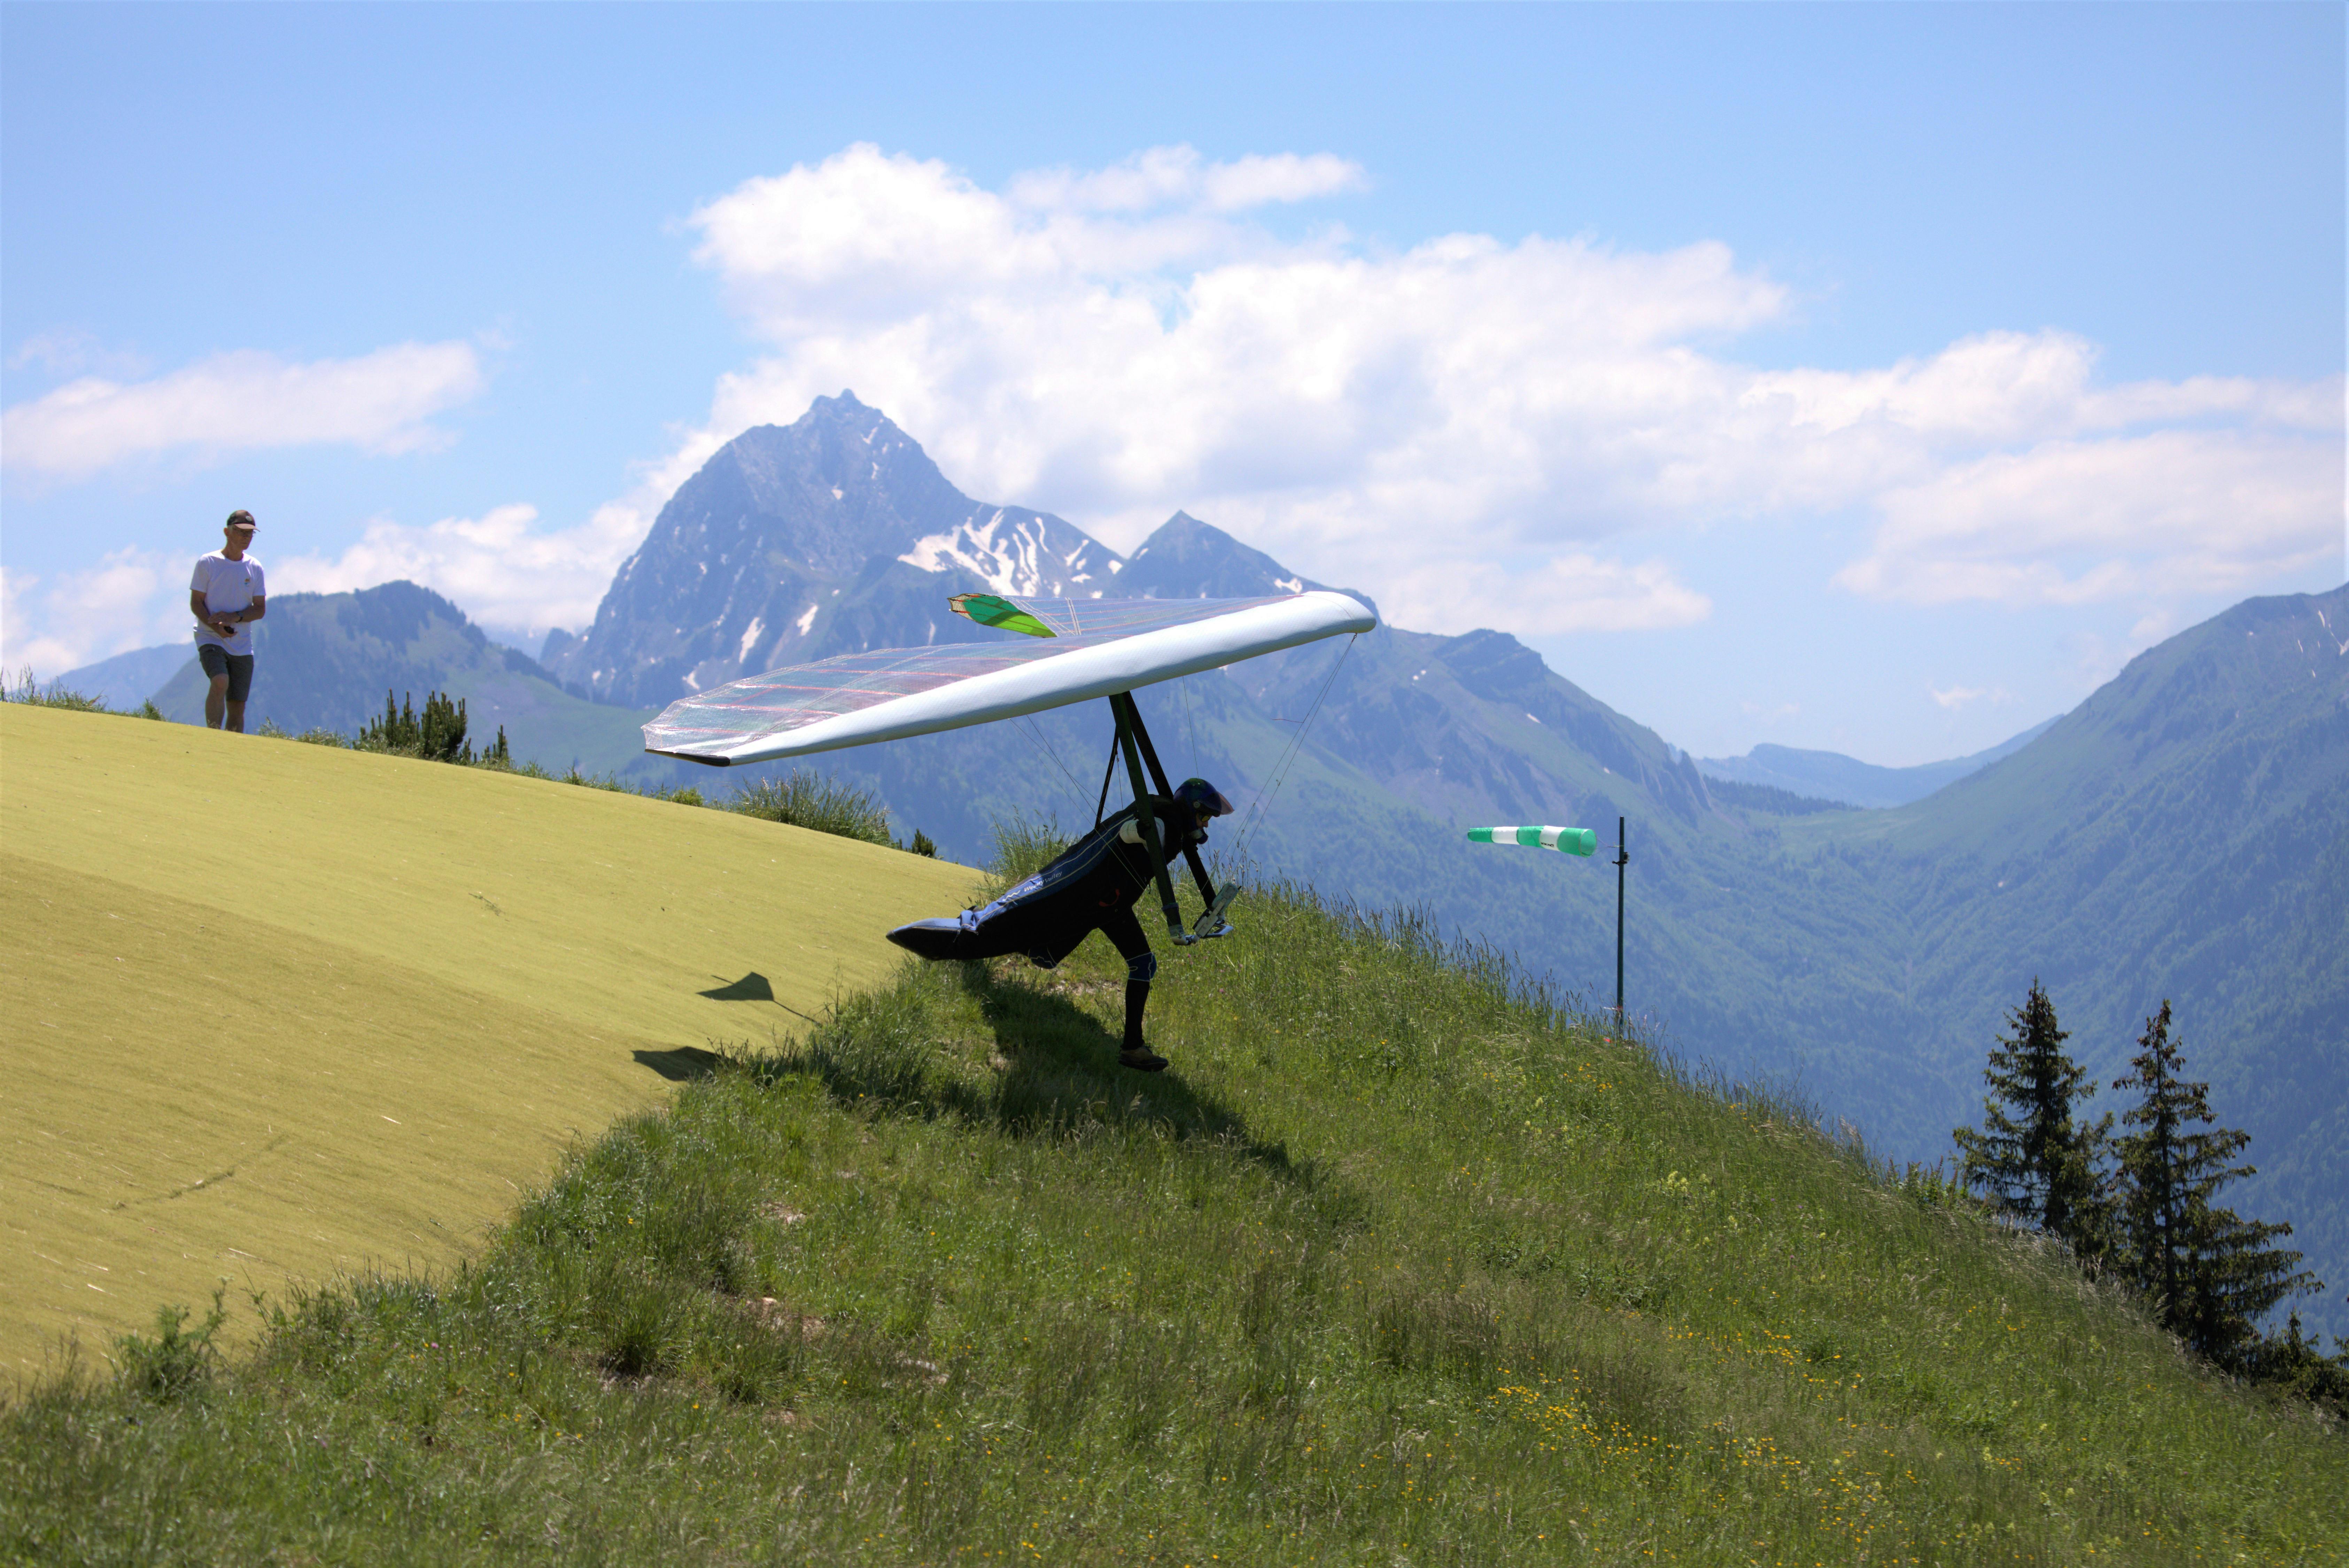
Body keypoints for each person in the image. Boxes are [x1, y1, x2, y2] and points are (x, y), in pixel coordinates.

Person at [887, 777, 1235, 1072]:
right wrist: (1137, 833)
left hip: (1111, 906)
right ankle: (934, 934)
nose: (1205, 825)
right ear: (1191, 810)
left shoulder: (1171, 825)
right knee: (1015, 942)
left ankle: (1133, 1047)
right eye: (1204, 817)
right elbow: (1129, 832)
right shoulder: (1161, 824)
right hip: (1087, 897)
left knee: (1141, 962)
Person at [190, 511, 266, 731]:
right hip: (209, 636)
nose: (246, 537)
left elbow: (260, 609)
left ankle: (231, 750)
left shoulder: (255, 567)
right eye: (240, 532)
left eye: (250, 533)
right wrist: (215, 626)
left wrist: (234, 618)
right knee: (220, 680)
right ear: (227, 532)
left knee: (237, 705)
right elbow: (196, 603)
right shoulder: (208, 562)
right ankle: (213, 735)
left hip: (242, 643)